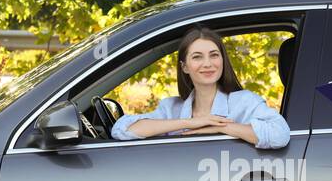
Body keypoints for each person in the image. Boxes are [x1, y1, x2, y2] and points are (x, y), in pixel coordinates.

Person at [111, 27, 290, 149]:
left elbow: (280, 135)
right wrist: (190, 123)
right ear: (185, 67)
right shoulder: (171, 108)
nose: (207, 64)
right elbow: (122, 130)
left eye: (214, 55)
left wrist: (222, 128)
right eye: (197, 57)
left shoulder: (244, 102)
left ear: (222, 61)